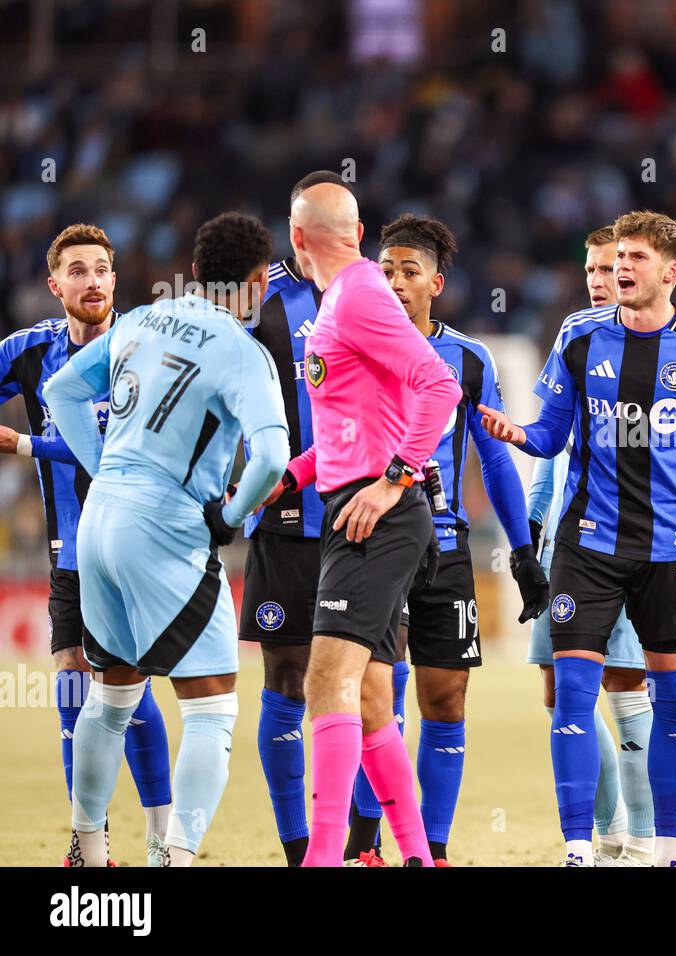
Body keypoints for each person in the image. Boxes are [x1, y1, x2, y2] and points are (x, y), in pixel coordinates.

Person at [480, 210, 676, 867]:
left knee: (674, 702)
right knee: (570, 696)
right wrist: (518, 435)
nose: (620, 268)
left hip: (668, 550)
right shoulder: (578, 335)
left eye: (634, 258)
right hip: (587, 549)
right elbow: (551, 435)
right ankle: (579, 847)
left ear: (671, 271)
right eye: (614, 257)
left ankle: (667, 849)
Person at [44, 212, 289, 866]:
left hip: (98, 521)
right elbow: (272, 455)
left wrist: (104, 467)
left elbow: (61, 388)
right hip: (164, 527)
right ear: (259, 280)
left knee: (112, 695)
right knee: (211, 710)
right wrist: (229, 516)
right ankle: (173, 862)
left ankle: (91, 854)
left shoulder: (143, 319)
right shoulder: (243, 350)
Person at [266, 182, 461, 867]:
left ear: (295, 238)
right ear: (356, 230)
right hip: (354, 505)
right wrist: (290, 476)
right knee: (374, 697)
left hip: (377, 516)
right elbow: (353, 428)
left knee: (324, 681)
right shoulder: (345, 300)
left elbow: (443, 387)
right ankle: (417, 856)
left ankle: (320, 861)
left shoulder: (359, 294)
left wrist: (394, 481)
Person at [344, 212, 547, 866]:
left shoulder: (468, 358)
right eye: (386, 270)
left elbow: (492, 461)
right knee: (376, 695)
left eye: (410, 271)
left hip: (448, 549)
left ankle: (428, 850)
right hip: (372, 542)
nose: (396, 282)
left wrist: (522, 552)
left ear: (436, 280)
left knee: (445, 697)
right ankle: (364, 843)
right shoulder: (354, 345)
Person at [0, 223, 171, 866]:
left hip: (137, 551)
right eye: (77, 270)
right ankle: (88, 844)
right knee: (73, 685)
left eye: (101, 268)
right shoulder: (28, 351)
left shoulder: (147, 346)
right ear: (54, 286)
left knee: (131, 687)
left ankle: (161, 839)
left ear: (115, 280)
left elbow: (115, 454)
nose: (92, 280)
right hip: (71, 553)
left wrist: (22, 444)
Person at [526, 224, 656, 866]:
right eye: (593, 272)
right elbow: (550, 449)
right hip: (565, 545)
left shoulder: (656, 347)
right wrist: (529, 531)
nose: (601, 281)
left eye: (612, 268)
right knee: (560, 692)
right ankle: (604, 831)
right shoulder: (578, 339)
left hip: (628, 540)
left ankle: (644, 834)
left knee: (627, 684)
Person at [239, 170, 338, 867]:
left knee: (370, 683)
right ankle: (297, 846)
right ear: (296, 229)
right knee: (285, 676)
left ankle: (359, 845)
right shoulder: (260, 294)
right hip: (285, 520)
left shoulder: (373, 287)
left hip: (365, 517)